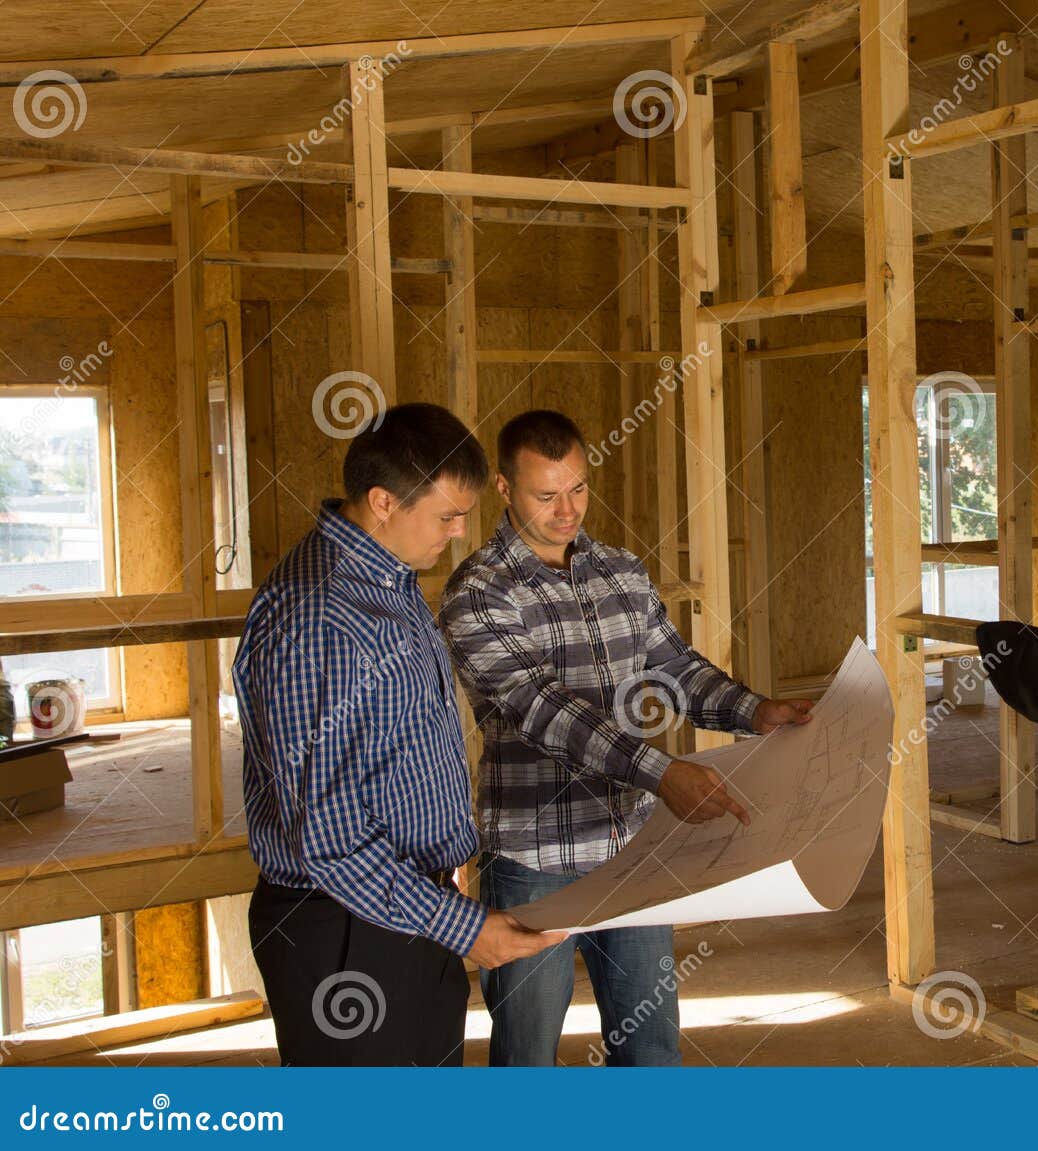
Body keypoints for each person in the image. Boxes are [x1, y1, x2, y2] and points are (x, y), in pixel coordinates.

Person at [440, 408, 814, 1067]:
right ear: (503, 489)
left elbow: (673, 668)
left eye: (579, 488)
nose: (567, 510)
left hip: (631, 850)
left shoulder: (620, 572)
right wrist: (662, 772)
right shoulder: (478, 592)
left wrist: (754, 712)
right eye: (546, 494)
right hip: (533, 860)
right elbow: (544, 709)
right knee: (526, 1056)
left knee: (650, 1050)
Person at [235, 402, 566, 1066]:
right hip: (344, 927)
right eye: (446, 516)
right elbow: (328, 838)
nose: (460, 529)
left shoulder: (385, 579)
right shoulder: (321, 615)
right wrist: (464, 927)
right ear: (384, 500)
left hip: (405, 907)